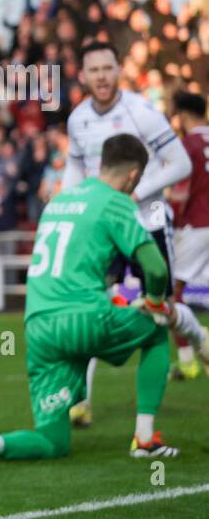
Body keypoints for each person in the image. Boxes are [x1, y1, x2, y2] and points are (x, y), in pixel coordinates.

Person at [0, 134, 207, 467]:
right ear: (135, 175)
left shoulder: (58, 201)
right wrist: (154, 302)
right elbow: (155, 268)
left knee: (53, 442)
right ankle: (146, 440)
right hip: (82, 318)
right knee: (157, 327)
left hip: (37, 329)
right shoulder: (114, 201)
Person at [61, 42, 192, 427]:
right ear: (82, 75)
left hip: (147, 220)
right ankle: (80, 402)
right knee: (91, 306)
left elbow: (180, 163)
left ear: (119, 69)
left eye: (107, 68)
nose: (101, 76)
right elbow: (75, 167)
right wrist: (68, 203)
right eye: (93, 70)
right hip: (103, 227)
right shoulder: (78, 119)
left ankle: (196, 338)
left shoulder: (142, 113)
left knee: (160, 311)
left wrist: (138, 189)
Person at [169, 90, 209, 380]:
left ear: (183, 115)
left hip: (197, 225)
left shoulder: (188, 145)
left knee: (171, 293)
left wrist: (173, 221)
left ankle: (188, 361)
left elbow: (180, 193)